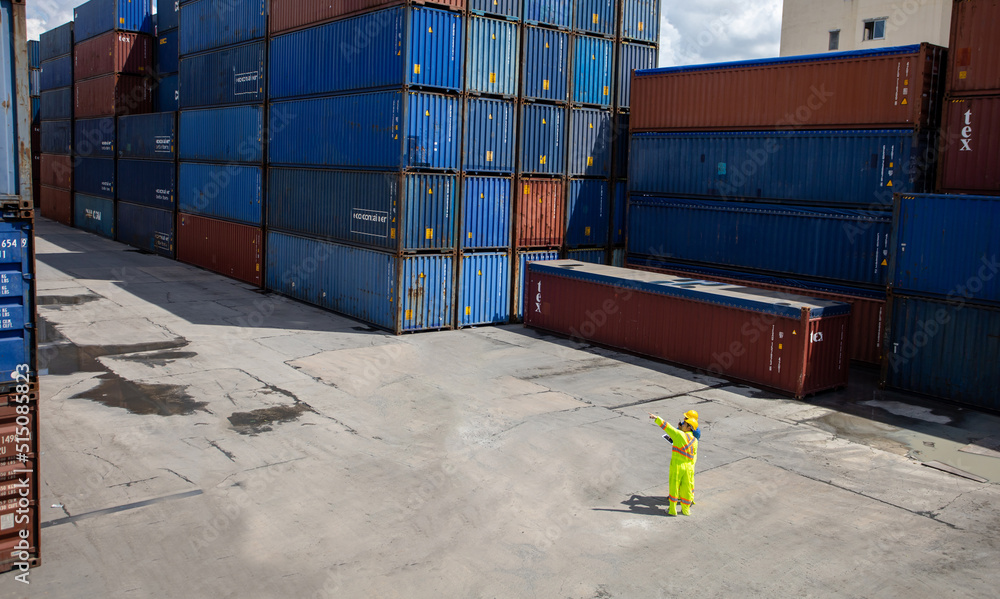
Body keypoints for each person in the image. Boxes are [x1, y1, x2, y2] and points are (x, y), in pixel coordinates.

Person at [648, 412, 698, 516]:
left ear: (689, 427)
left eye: (685, 424)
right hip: (689, 467)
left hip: (678, 466)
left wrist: (656, 418)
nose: (683, 424)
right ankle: (686, 510)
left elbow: (668, 427)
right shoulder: (695, 440)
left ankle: (672, 510)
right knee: (686, 488)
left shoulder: (679, 435)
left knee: (674, 486)